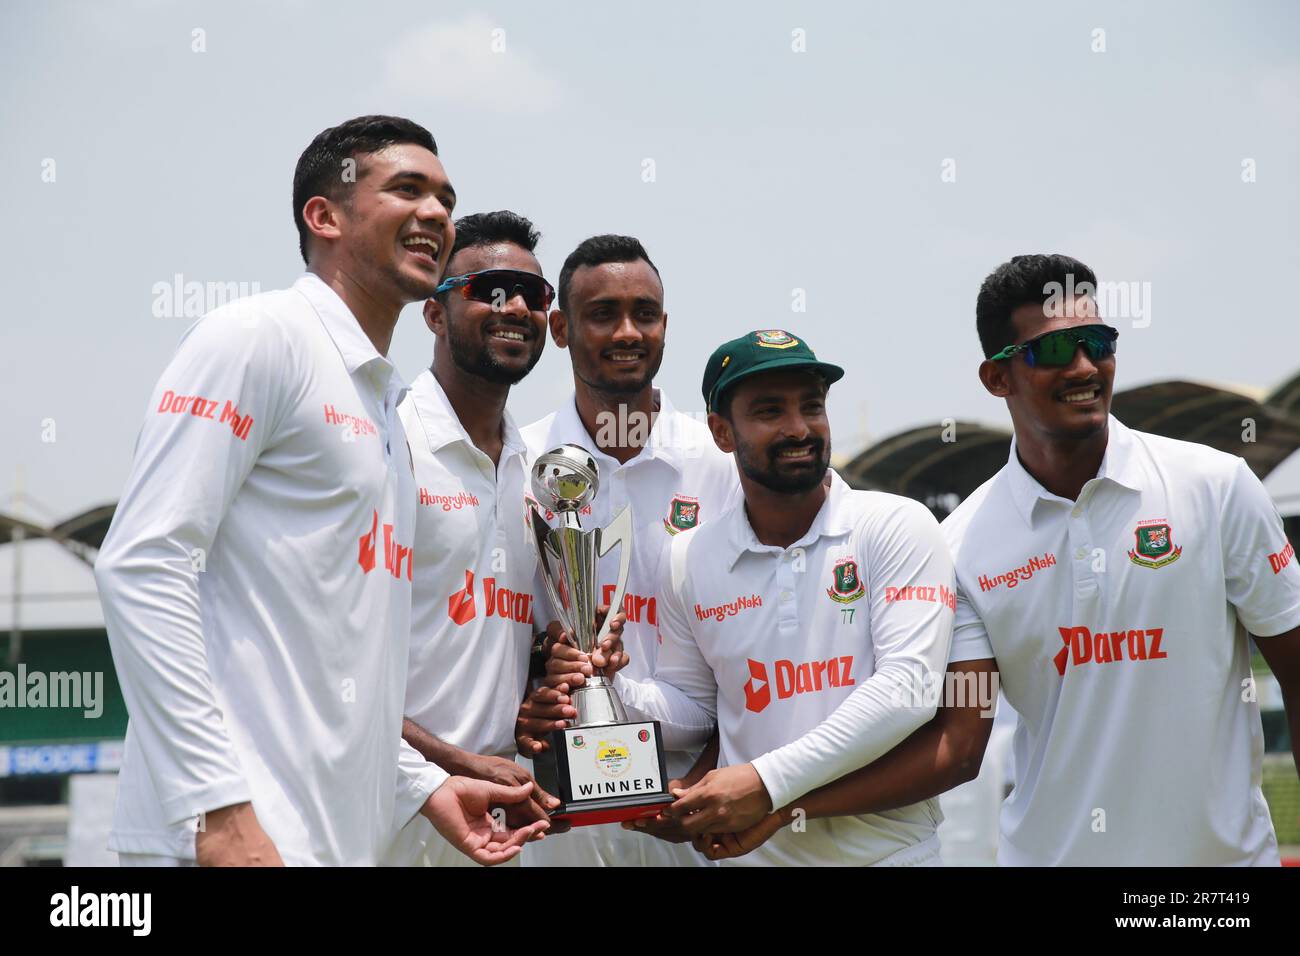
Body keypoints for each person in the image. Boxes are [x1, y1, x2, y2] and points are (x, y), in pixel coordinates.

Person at [698, 254, 1300, 866]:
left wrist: (777, 797)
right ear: (997, 378)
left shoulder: (1216, 487)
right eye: (1054, 352)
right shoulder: (960, 546)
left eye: (1097, 342)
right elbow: (960, 749)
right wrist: (780, 804)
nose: (1086, 366)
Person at [95, 116, 544, 867]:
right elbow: (142, 567)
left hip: (333, 842)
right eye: (407, 189)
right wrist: (220, 815)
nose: (436, 213)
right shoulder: (256, 337)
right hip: (231, 840)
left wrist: (421, 787)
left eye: (445, 198)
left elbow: (344, 668)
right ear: (324, 214)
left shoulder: (387, 411)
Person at [550, 329, 956, 865]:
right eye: (769, 411)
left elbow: (908, 690)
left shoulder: (895, 524)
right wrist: (607, 682)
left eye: (812, 407)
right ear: (721, 432)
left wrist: (766, 785)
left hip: (890, 855)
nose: (798, 428)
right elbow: (696, 711)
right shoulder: (690, 558)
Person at [514, 235, 739, 867]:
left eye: (644, 314)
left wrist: (715, 772)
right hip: (562, 808)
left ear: (665, 325)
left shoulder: (722, 464)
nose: (627, 332)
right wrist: (540, 672)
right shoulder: (516, 464)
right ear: (559, 328)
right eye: (602, 313)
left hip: (704, 801)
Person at [385, 210, 585, 866]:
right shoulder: (386, 442)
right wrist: (449, 762)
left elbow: (506, 645)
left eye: (534, 295)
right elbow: (325, 653)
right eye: (491, 290)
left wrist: (544, 684)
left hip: (489, 825)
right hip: (375, 814)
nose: (517, 308)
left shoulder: (537, 472)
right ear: (434, 314)